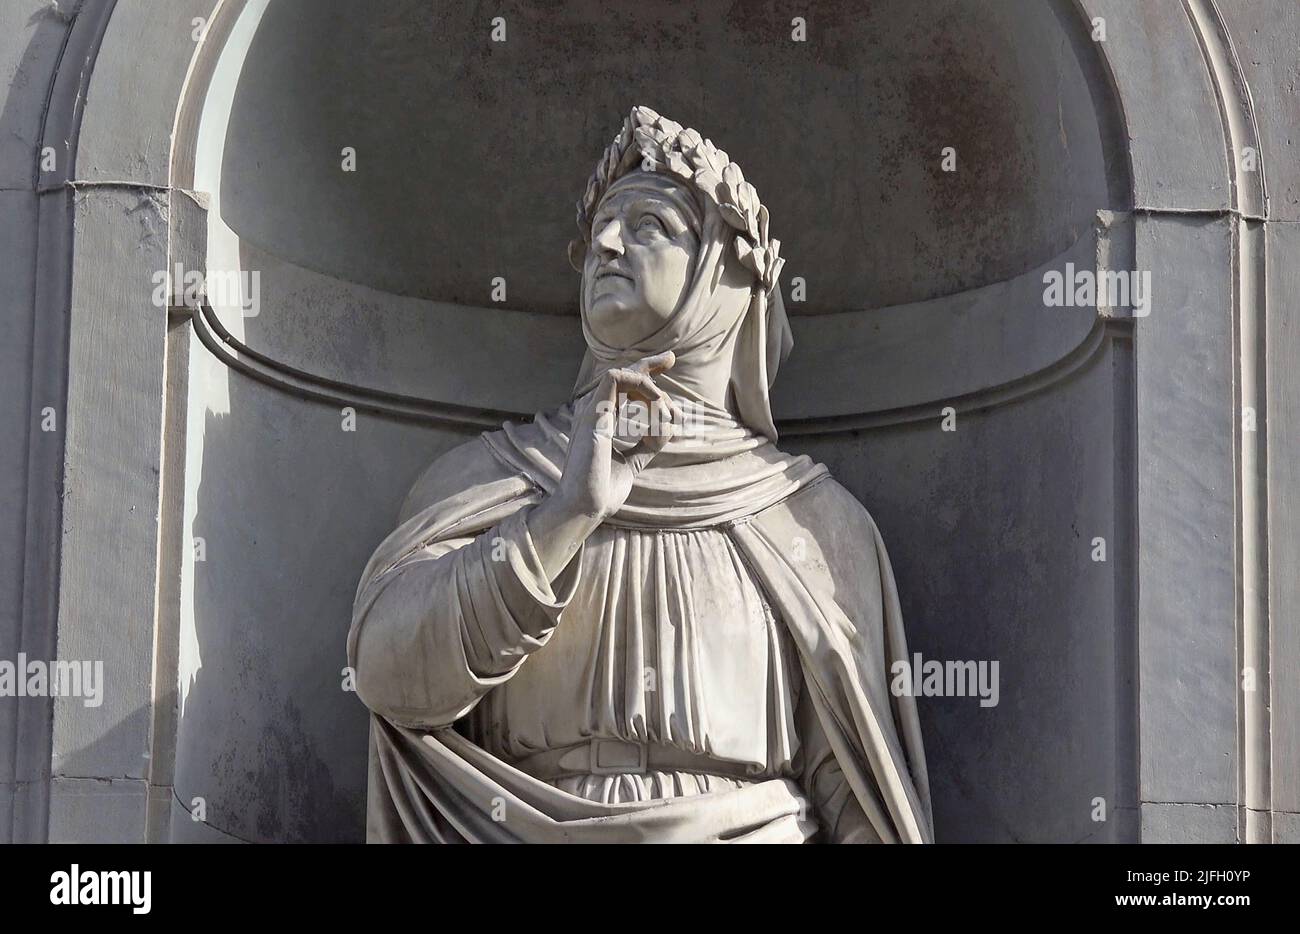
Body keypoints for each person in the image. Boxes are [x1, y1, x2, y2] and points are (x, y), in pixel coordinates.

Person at [347, 106, 933, 843]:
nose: (606, 243)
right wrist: (564, 515)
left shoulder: (814, 523)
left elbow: (855, 796)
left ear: (727, 270)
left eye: (647, 224)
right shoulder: (488, 479)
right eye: (598, 231)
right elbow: (389, 678)